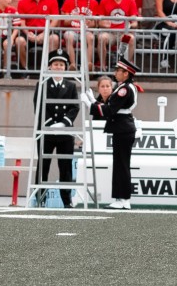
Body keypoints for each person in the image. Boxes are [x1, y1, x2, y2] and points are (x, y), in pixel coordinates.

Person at [91, 57, 140, 208]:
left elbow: (111, 109)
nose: (116, 73)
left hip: (123, 128)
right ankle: (121, 198)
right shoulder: (123, 87)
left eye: (119, 70)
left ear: (126, 73)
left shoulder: (124, 89)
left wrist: (91, 104)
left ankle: (123, 198)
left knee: (122, 164)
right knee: (120, 163)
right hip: (122, 128)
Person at [34, 53, 81, 207]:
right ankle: (40, 198)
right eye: (55, 64)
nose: (58, 67)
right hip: (46, 132)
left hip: (64, 133)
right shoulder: (43, 83)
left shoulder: (71, 85)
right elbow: (38, 105)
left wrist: (64, 123)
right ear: (50, 66)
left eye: (61, 64)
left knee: (65, 167)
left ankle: (67, 201)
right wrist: (49, 124)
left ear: (65, 67)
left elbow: (75, 107)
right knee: (43, 166)